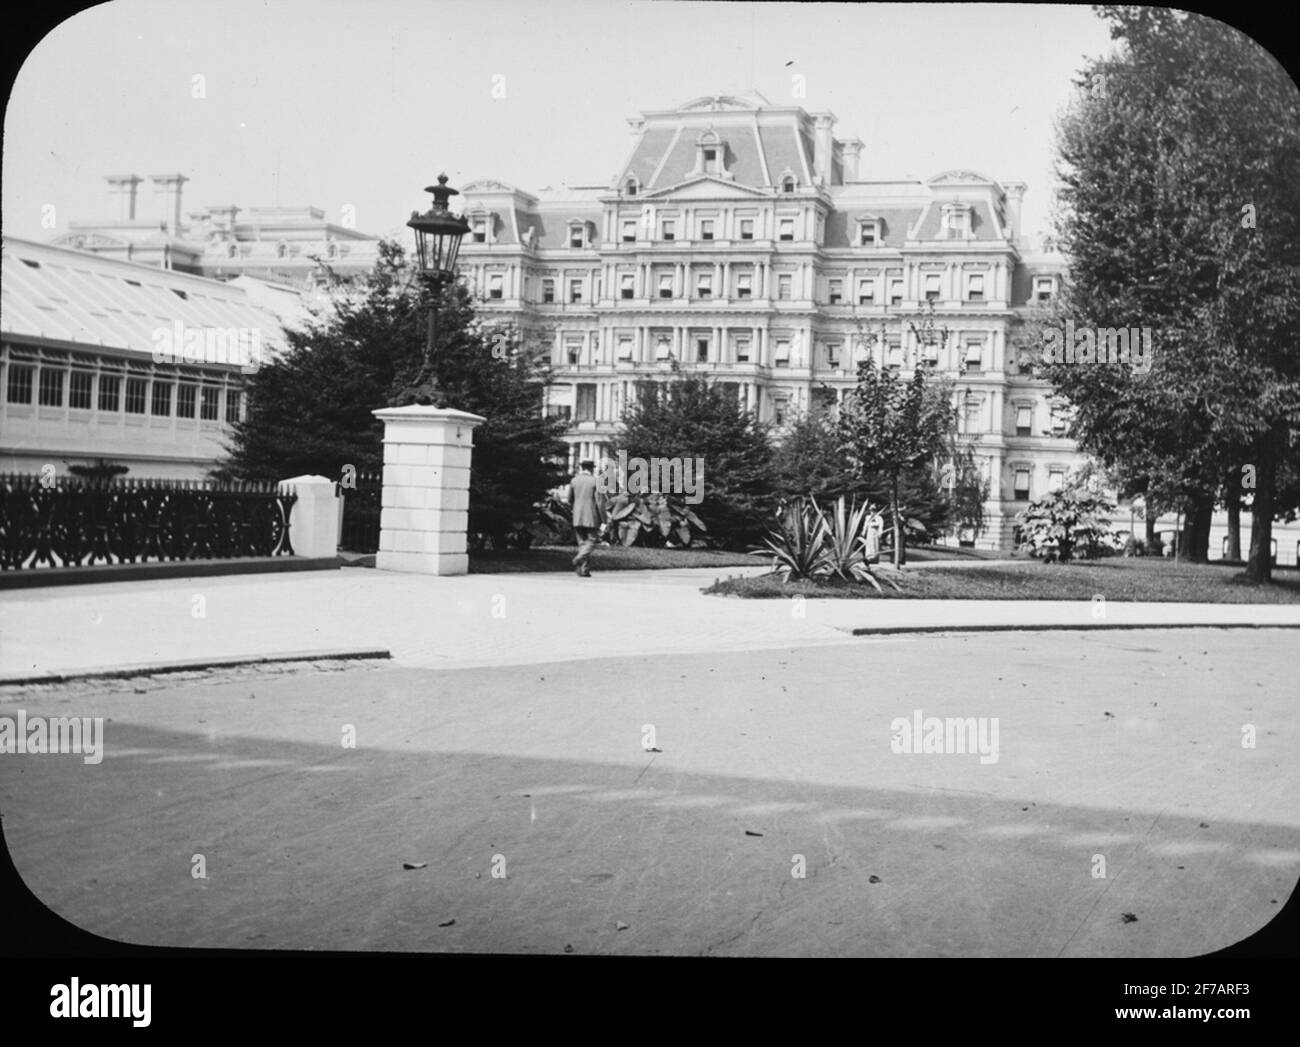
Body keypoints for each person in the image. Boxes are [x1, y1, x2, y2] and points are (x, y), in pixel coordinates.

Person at [568, 459, 606, 577]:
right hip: (591, 515)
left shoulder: (574, 480)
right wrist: (604, 519)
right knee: (592, 541)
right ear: (591, 469)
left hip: (577, 516)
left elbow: (570, 499)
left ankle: (584, 570)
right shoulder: (595, 481)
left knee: (582, 543)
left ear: (582, 468)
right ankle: (578, 558)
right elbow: (600, 502)